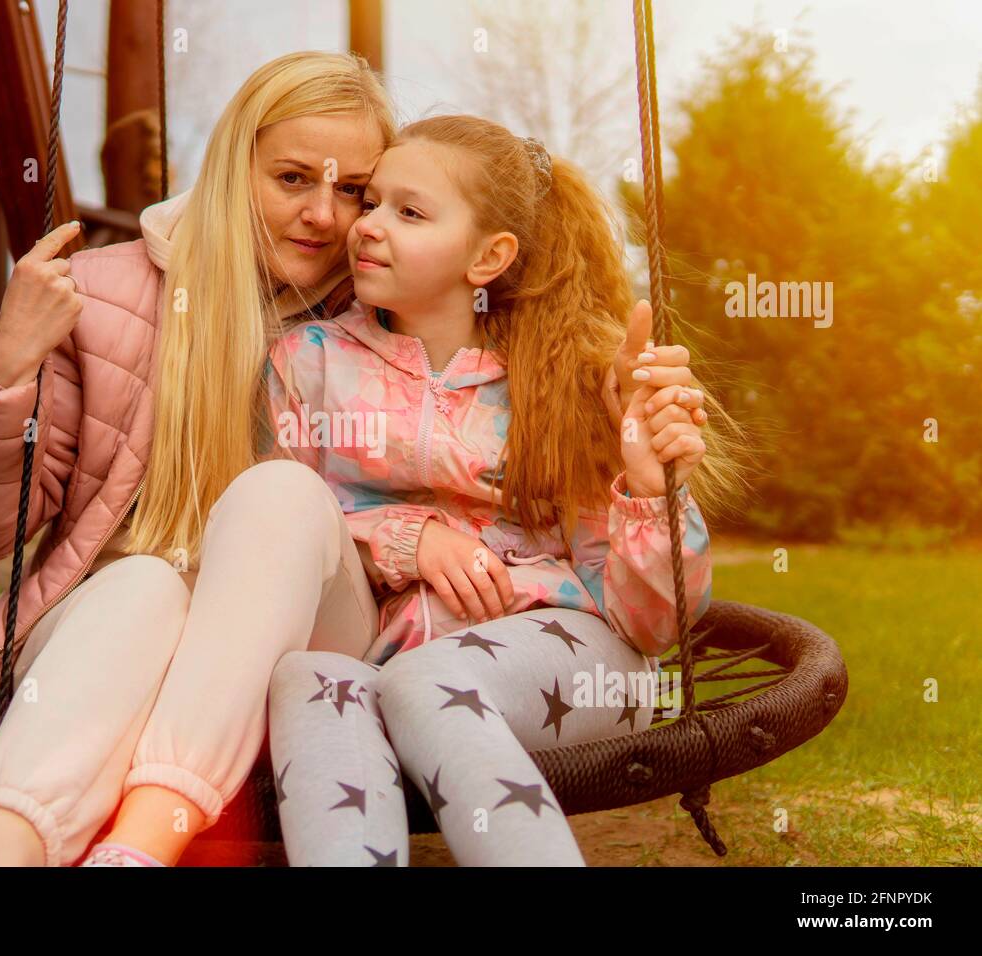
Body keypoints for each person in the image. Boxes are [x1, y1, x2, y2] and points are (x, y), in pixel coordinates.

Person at [0, 51, 397, 867]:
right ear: (238, 167)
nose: (322, 217)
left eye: (352, 191)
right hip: (118, 630)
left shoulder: (390, 314)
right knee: (141, 580)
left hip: (310, 639)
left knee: (279, 495)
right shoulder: (100, 296)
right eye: (294, 178)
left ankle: (136, 845)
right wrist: (8, 371)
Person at [263, 114, 747, 865]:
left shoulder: (567, 382)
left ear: (488, 257)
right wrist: (404, 538)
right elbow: (283, 526)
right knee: (307, 678)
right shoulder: (309, 362)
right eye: (374, 201)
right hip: (386, 653)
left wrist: (651, 490)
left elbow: (652, 626)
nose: (368, 226)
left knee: (427, 681)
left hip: (577, 657)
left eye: (410, 212)